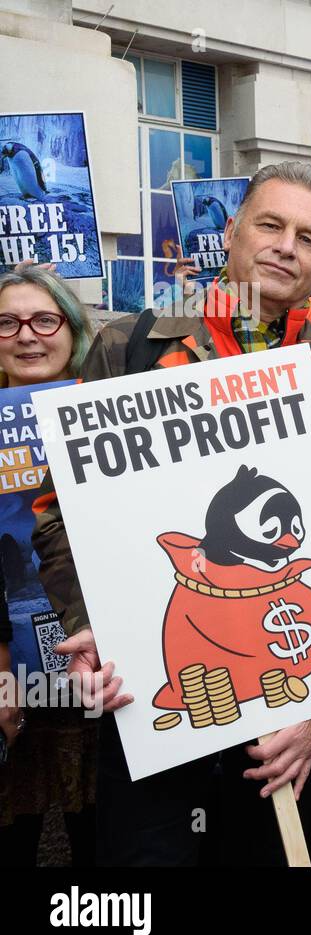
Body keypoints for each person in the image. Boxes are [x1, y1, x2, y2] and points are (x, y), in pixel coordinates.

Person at [30, 161, 311, 865]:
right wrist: (87, 627)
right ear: (231, 233)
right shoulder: (130, 347)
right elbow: (56, 512)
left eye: (310, 238)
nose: (287, 245)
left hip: (286, 710)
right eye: (271, 224)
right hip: (154, 696)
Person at [0, 265, 98, 866]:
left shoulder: (116, 410)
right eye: (7, 322)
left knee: (99, 840)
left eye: (44, 318)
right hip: (7, 665)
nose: (26, 335)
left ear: (73, 328)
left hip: (98, 663)